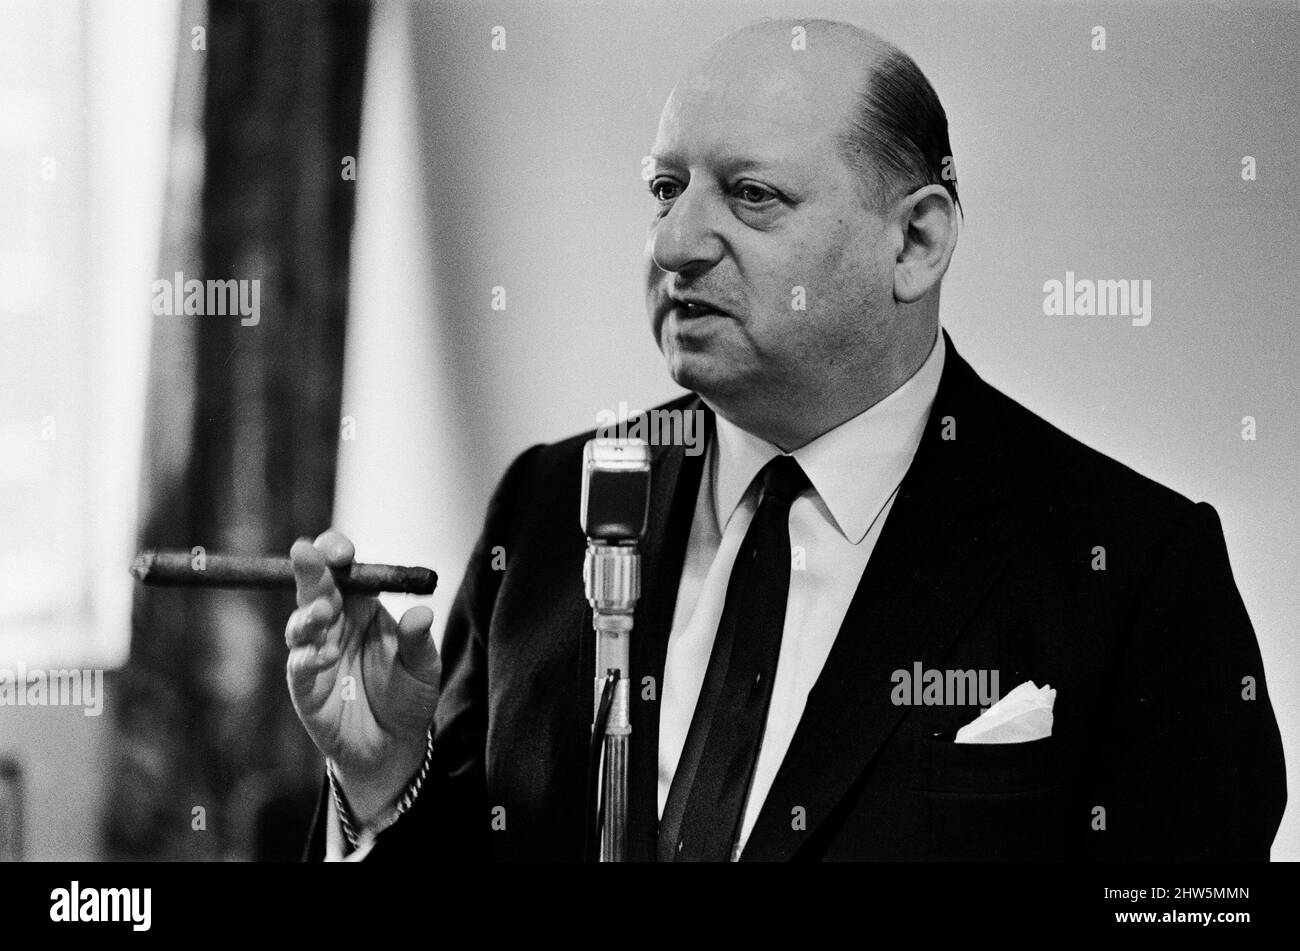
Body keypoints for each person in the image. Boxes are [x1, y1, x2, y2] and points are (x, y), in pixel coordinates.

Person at [284, 18, 1286, 861]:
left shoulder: (1133, 569)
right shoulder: (550, 504)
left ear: (916, 240)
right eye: (664, 190)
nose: (675, 243)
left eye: (751, 196)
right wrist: (383, 786)